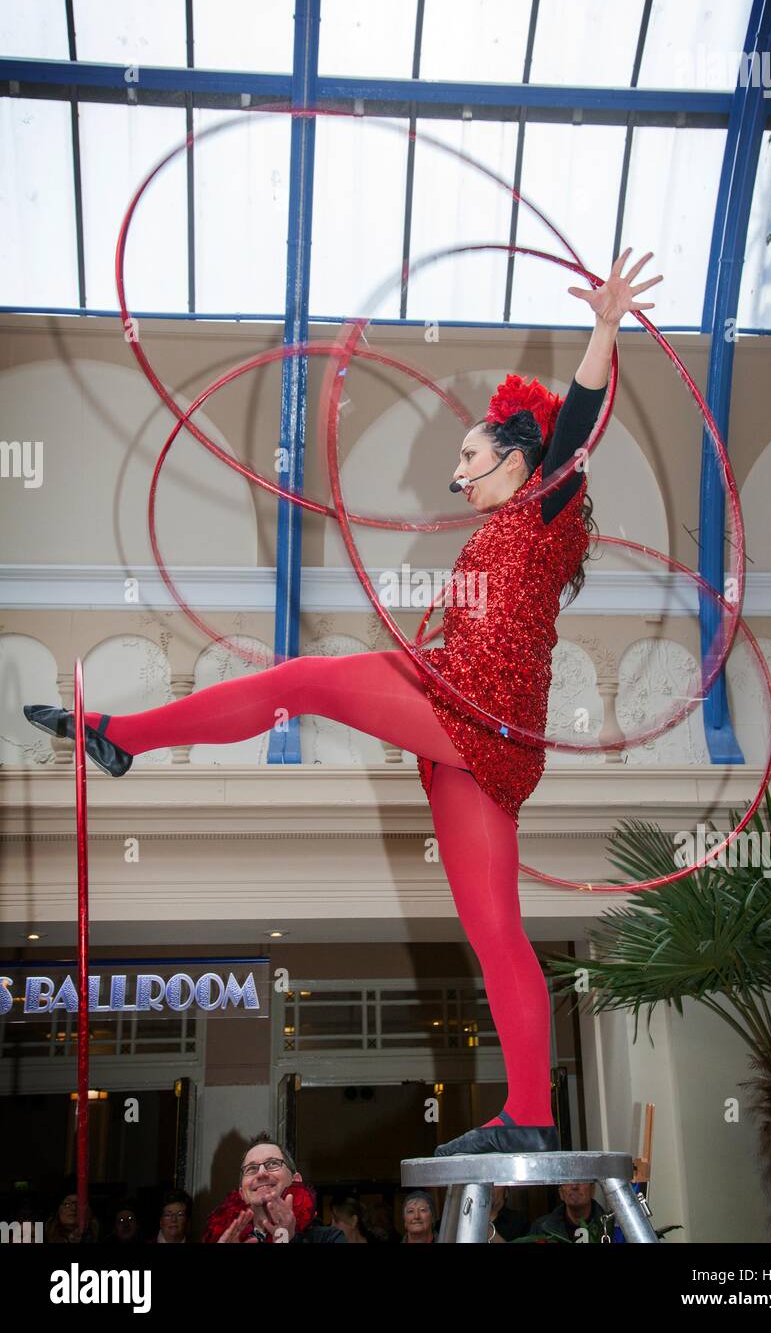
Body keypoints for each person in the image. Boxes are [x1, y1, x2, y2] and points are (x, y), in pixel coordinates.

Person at [24, 250, 662, 1161]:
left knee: (309, 679)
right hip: (459, 714)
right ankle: (530, 1109)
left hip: (479, 711)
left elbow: (581, 423)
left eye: (470, 458)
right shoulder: (497, 532)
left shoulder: (547, 507)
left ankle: (119, 736)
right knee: (493, 927)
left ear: (523, 459)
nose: (457, 476)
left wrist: (604, 329)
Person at [200, 1133, 345, 1244]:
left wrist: (286, 1240)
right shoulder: (222, 1238)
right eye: (251, 1168)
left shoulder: (328, 1238)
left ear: (296, 1181)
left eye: (273, 1164)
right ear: (241, 1193)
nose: (261, 1173)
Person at [528, 1181, 609, 1242]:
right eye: (567, 1180)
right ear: (560, 1192)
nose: (574, 1186)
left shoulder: (611, 1226)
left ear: (592, 1189)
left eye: (581, 1179)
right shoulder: (541, 1229)